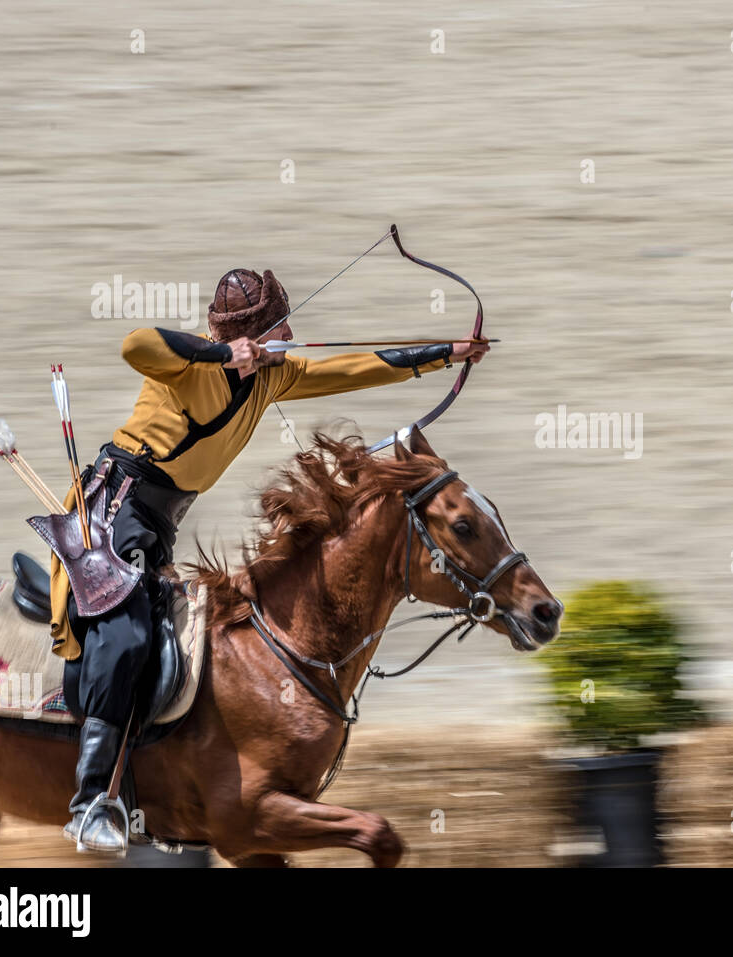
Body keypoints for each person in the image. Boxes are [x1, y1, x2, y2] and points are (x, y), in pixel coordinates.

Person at [49, 266, 489, 851]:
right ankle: (89, 804)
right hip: (112, 511)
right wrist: (217, 352)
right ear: (252, 334)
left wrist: (447, 353)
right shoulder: (187, 369)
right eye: (281, 329)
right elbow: (136, 344)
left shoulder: (271, 380)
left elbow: (353, 368)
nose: (289, 338)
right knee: (126, 636)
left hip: (157, 522)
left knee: (179, 639)